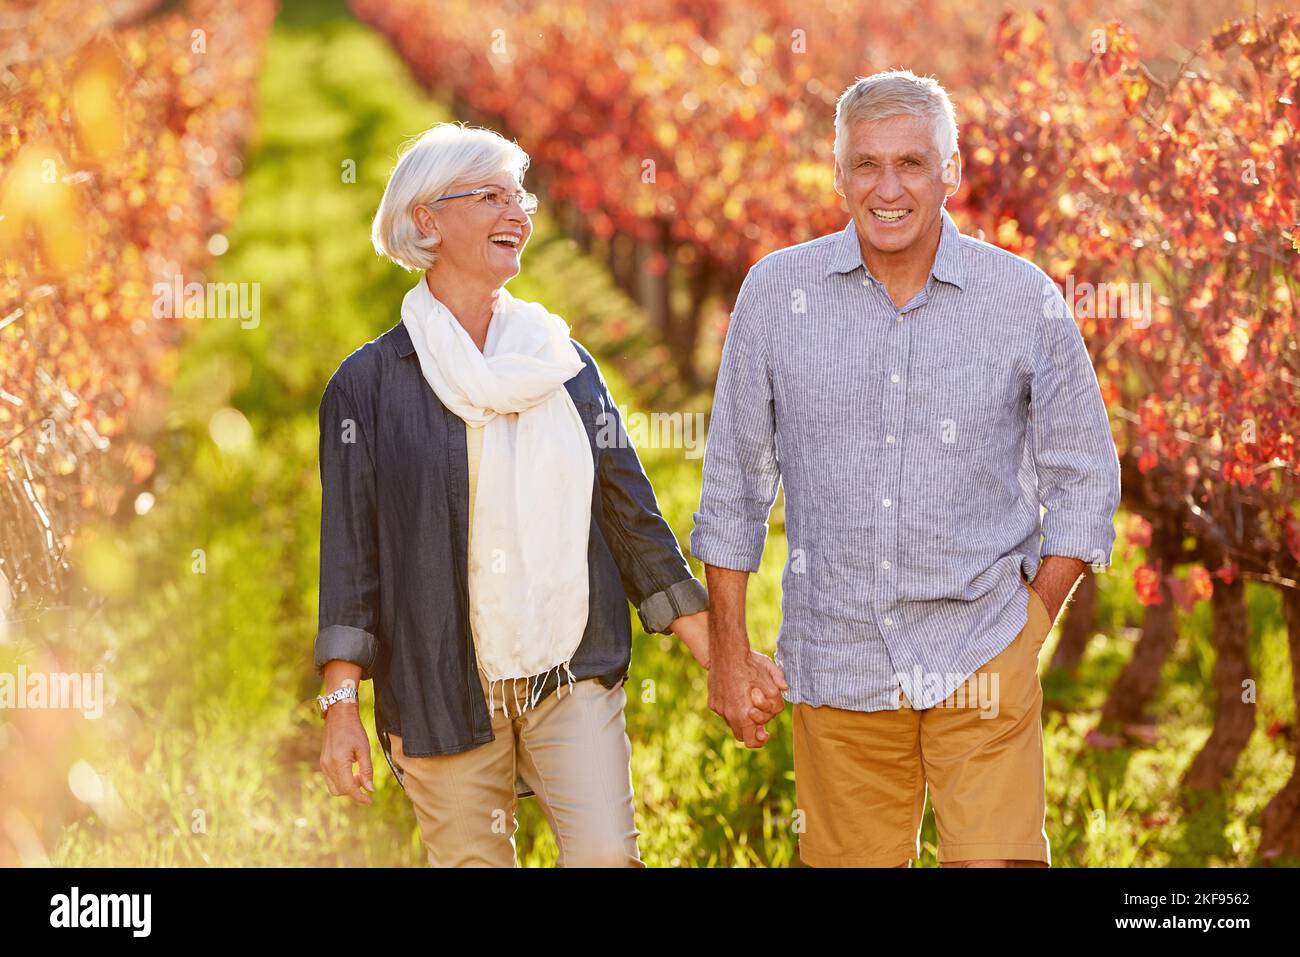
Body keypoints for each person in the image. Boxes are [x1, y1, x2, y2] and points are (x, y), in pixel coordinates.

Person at [313, 122, 785, 867]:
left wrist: (725, 660)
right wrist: (341, 707)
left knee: (605, 855)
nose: (518, 213)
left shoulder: (562, 363)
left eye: (520, 195)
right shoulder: (367, 386)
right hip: (439, 686)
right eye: (492, 195)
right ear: (426, 221)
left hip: (570, 668)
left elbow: (633, 522)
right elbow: (350, 562)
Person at [692, 70, 1121, 868]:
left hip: (983, 647)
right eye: (867, 164)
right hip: (837, 661)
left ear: (951, 171)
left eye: (913, 164)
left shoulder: (1022, 299)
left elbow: (1086, 476)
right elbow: (733, 491)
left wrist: (1032, 625)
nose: (888, 188)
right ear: (839, 172)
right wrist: (728, 652)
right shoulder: (775, 294)